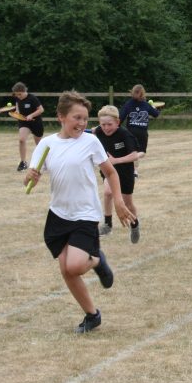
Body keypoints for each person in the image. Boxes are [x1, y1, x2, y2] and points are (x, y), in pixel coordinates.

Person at [24, 91, 135, 333]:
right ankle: (92, 315)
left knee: (74, 266)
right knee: (66, 270)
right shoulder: (46, 144)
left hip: (85, 213)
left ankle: (97, 259)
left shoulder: (90, 142)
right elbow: (30, 178)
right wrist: (30, 176)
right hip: (58, 214)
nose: (82, 123)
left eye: (85, 119)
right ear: (61, 117)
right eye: (77, 118)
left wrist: (118, 201)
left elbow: (111, 172)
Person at [92, 105, 144, 242]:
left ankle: (135, 225)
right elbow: (93, 132)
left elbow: (134, 155)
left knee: (127, 203)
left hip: (125, 171)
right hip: (108, 169)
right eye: (103, 124)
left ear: (117, 122)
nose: (106, 128)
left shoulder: (125, 134)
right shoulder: (98, 131)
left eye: (109, 124)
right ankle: (107, 225)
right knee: (108, 192)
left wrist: (116, 160)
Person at [119, 84, 160, 177]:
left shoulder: (128, 104)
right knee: (141, 152)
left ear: (132, 92)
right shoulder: (146, 105)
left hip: (130, 131)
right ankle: (134, 170)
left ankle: (134, 170)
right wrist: (154, 107)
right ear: (143, 93)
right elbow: (156, 114)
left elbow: (120, 118)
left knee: (131, 151)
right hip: (142, 132)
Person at [11, 82, 44, 172]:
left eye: (20, 94)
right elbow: (18, 109)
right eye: (16, 94)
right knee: (21, 140)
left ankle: (45, 161)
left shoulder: (32, 98)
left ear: (24, 91)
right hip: (24, 122)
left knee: (39, 144)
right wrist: (16, 114)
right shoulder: (17, 99)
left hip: (35, 122)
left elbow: (41, 109)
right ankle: (23, 162)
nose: (18, 96)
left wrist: (31, 115)